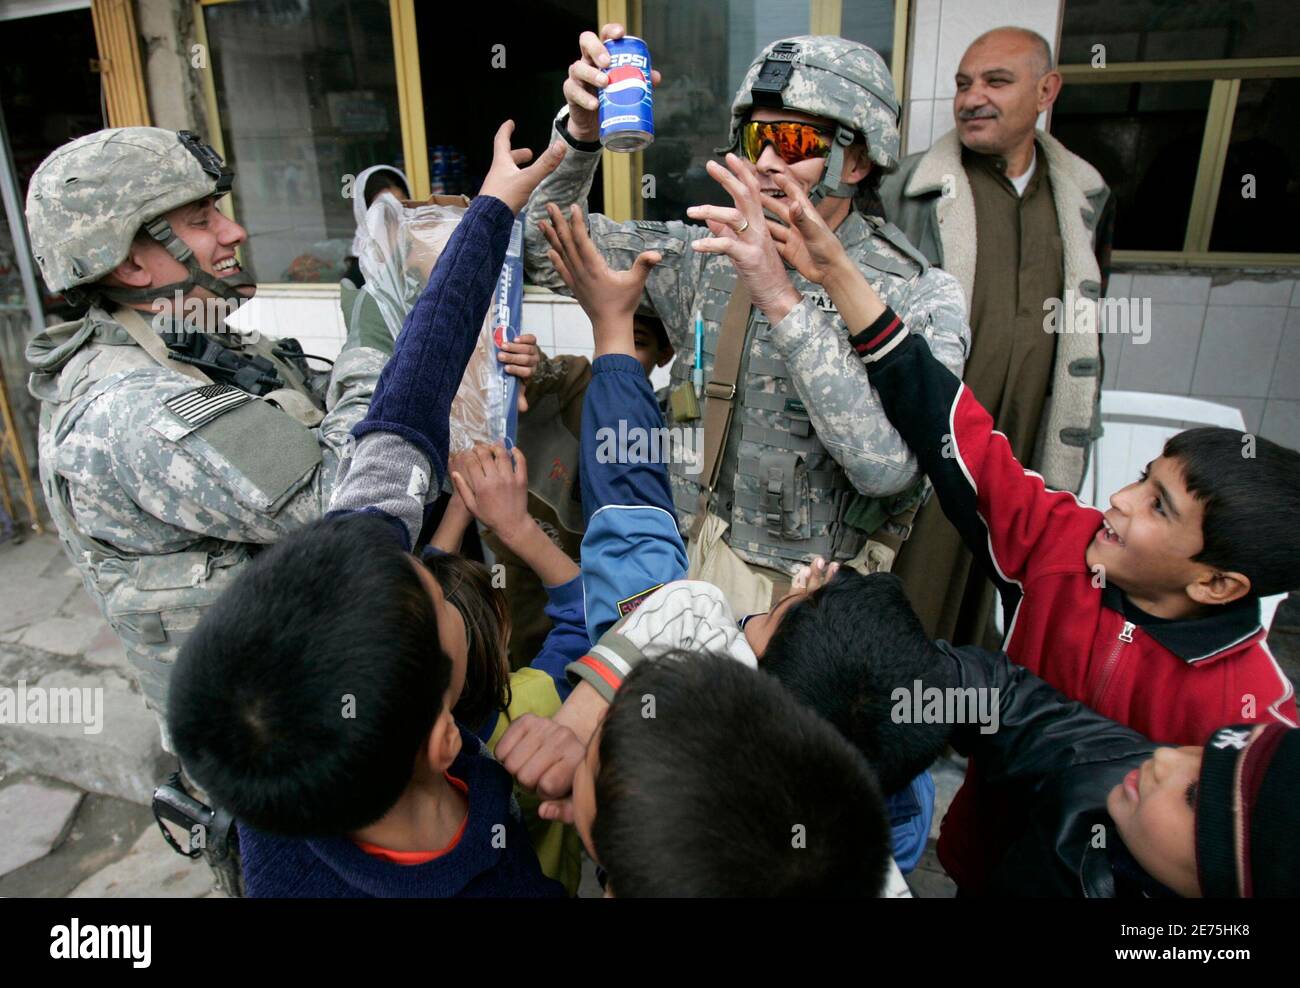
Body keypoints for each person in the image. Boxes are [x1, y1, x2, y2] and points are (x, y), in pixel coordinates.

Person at [730, 166, 1299, 893]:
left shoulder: (1255, 725)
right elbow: (951, 430)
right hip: (984, 867)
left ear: (1218, 582)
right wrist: (835, 270)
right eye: (1143, 477)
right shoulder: (1064, 543)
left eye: (1158, 507)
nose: (1119, 501)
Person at [167, 122, 572, 897]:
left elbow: (413, 380)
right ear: (444, 736)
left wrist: (492, 208)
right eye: (432, 586)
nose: (422, 561)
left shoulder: (287, 759)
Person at [497, 197, 934, 884]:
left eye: (801, 600)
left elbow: (639, 532)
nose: (812, 570)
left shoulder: (921, 288)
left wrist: (613, 333)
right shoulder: (862, 846)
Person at [523, 24, 970, 621]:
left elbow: (886, 469)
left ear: (857, 158)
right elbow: (540, 243)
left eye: (790, 140)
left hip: (799, 601)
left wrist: (781, 297)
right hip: (676, 562)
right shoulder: (708, 253)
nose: (763, 161)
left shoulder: (921, 295)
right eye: (756, 136)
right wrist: (578, 137)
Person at [23, 127, 387, 745]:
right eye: (201, 221)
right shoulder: (134, 409)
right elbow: (348, 500)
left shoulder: (190, 338)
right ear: (130, 262)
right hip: (274, 750)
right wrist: (372, 346)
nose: (233, 232)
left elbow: (302, 414)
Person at [879, 27, 1112, 648]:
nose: (972, 98)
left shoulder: (1083, 196)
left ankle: (966, 720)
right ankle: (894, 725)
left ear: (1046, 90)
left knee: (1001, 587)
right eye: (962, 84)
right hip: (937, 435)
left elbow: (1091, 318)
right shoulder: (904, 191)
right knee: (912, 587)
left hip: (1027, 433)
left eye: (995, 82)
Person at [940, 646, 1300, 897]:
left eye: (1193, 794)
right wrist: (926, 684)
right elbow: (1003, 697)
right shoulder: (1120, 776)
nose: (1164, 759)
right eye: (1206, 751)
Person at [484, 312, 673, 668]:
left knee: (595, 668)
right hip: (529, 562)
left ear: (666, 354)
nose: (625, 351)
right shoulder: (575, 379)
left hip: (609, 576)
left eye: (640, 343)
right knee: (523, 661)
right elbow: (540, 375)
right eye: (618, 334)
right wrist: (525, 363)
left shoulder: (662, 416)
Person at [342, 165, 411, 290]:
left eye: (402, 206)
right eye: (385, 211)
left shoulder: (419, 256)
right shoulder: (357, 278)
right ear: (366, 217)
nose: (397, 217)